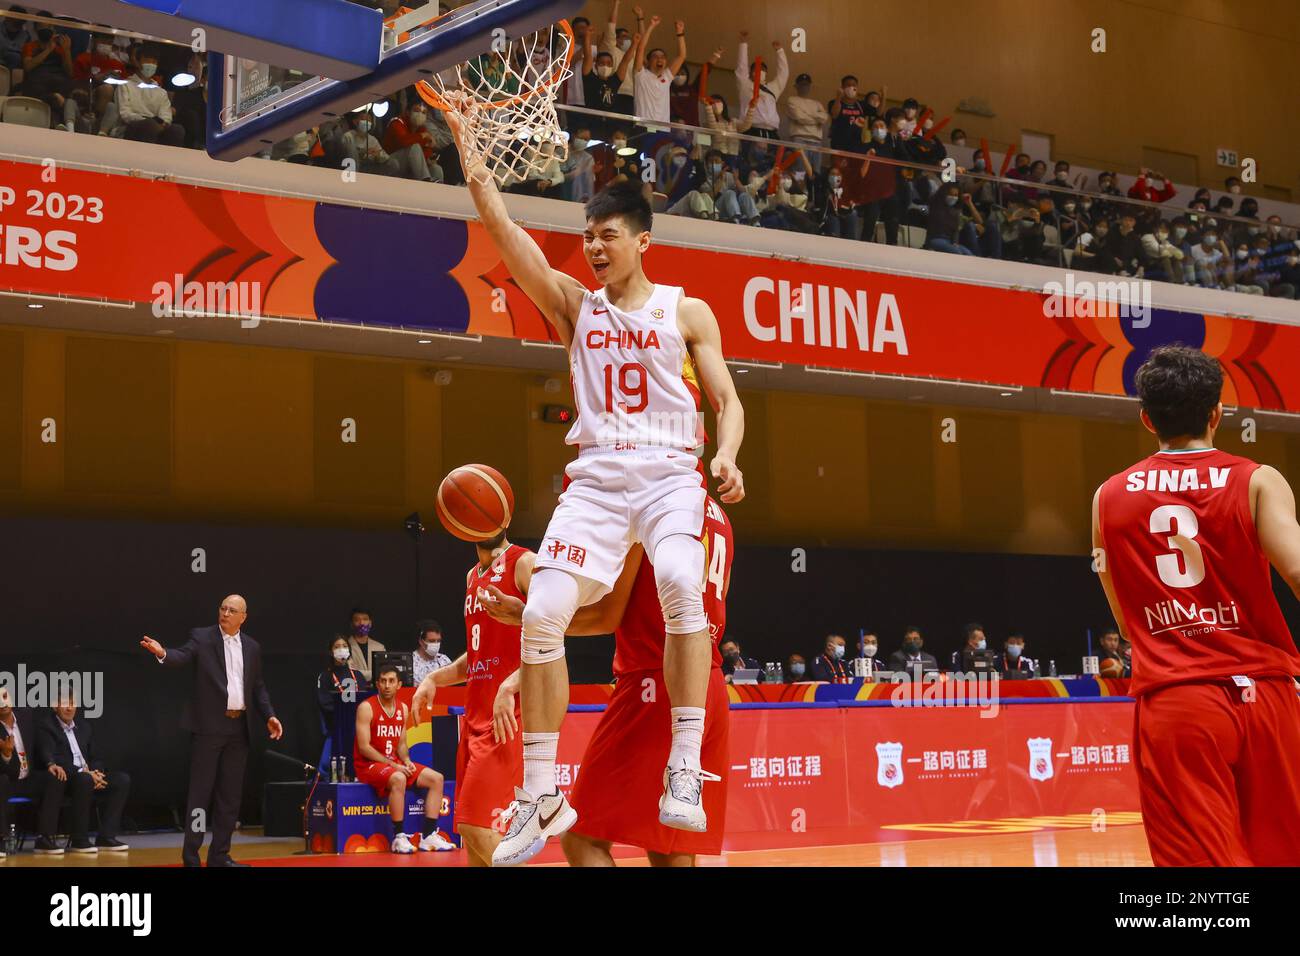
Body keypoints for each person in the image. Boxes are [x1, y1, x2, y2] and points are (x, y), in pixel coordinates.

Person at [443, 98, 745, 864]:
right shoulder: (577, 309)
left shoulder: (689, 312)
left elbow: (728, 400)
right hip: (600, 480)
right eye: (588, 239)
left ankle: (684, 766)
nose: (596, 249)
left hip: (673, 471)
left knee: (678, 579)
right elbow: (512, 245)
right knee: (543, 609)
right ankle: (541, 794)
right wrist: (474, 169)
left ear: (643, 240)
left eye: (608, 237)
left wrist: (728, 455)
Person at [1093, 345, 1300, 866]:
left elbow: (1123, 614)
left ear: (1146, 418)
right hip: (1268, 695)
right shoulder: (1257, 479)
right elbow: (1296, 570)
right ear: (1217, 413)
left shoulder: (1108, 495)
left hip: (1179, 700)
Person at [482, 495, 734, 866]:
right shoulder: (718, 515)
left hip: (655, 680)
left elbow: (606, 614)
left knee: (582, 838)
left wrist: (530, 616)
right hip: (706, 684)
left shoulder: (654, 500)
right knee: (669, 849)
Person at [412, 506, 528, 867]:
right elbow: (476, 658)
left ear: (506, 519)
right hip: (475, 718)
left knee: (474, 825)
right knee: (475, 838)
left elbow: (551, 635)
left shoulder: (524, 563)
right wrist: (434, 677)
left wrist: (511, 686)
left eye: (493, 514)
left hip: (508, 717)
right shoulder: (471, 577)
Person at [139, 595, 282, 867]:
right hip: (209, 728)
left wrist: (270, 715)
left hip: (239, 728)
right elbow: (182, 655)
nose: (225, 613)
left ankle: (220, 855)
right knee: (200, 793)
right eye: (222, 608)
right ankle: (191, 856)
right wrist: (162, 653)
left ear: (243, 617)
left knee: (230, 796)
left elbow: (258, 687)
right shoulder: (203, 638)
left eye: (232, 610)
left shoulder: (252, 647)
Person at [353, 663, 453, 854]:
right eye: (382, 681)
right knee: (398, 778)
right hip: (368, 766)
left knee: (436, 779)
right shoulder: (366, 708)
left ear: (399, 684)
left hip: (393, 764)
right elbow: (364, 748)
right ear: (377, 684)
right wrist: (394, 766)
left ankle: (428, 835)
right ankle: (399, 837)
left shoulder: (403, 708)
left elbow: (400, 745)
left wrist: (406, 760)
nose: (387, 685)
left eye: (391, 681)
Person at [37, 695, 131, 853]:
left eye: (72, 703)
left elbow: (96, 756)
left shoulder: (84, 726)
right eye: (65, 703)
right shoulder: (46, 726)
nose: (69, 708)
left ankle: (106, 837)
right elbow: (54, 758)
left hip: (88, 775)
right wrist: (84, 772)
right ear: (54, 706)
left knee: (122, 780)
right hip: (66, 778)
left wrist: (97, 773)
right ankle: (79, 839)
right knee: (84, 779)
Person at [0, 688, 67, 857]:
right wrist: (6, 755)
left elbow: (40, 745)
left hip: (28, 778)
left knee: (54, 778)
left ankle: (45, 838)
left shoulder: (26, 717)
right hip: (7, 779)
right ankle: (1, 839)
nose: (2, 703)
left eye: (4, 697)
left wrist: (50, 763)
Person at [114, 49, 185, 145]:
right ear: (138, 63)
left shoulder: (161, 92)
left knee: (177, 130)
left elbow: (165, 114)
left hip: (156, 126)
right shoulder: (126, 85)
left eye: (154, 62)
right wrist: (146, 120)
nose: (151, 64)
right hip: (131, 127)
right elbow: (125, 113)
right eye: (147, 61)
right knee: (149, 125)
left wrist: (164, 122)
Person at [317, 635, 369, 735]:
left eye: (345, 646)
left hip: (359, 727)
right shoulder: (325, 676)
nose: (341, 649)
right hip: (337, 728)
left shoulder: (358, 675)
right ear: (331, 652)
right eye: (337, 647)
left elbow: (365, 699)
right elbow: (325, 703)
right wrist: (345, 713)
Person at [345, 607, 387, 682]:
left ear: (370, 623)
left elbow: (385, 672)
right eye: (357, 620)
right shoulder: (345, 647)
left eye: (365, 619)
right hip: (356, 690)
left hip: (377, 691)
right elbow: (350, 673)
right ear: (352, 624)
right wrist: (376, 674)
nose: (362, 623)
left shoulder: (380, 647)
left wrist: (359, 672)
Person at [411, 619, 451, 686]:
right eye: (432, 641)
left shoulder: (444, 660)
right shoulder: (410, 661)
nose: (436, 644)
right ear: (421, 641)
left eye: (438, 641)